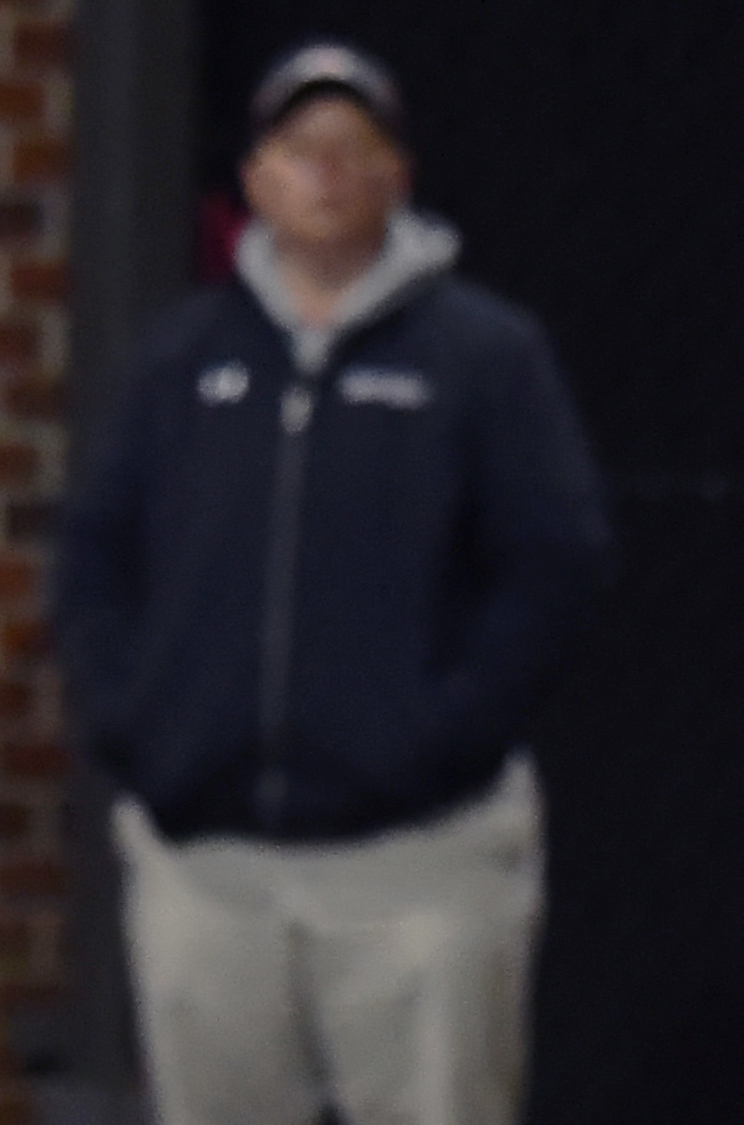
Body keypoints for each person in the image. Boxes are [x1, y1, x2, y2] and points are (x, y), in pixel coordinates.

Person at [57, 40, 610, 1125]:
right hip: (206, 863)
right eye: (298, 149)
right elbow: (93, 556)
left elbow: (552, 564)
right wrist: (139, 726)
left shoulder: (481, 360)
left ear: (396, 175)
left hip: (417, 864)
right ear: (254, 179)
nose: (325, 171)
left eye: (352, 148)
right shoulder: (180, 364)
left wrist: (437, 735)